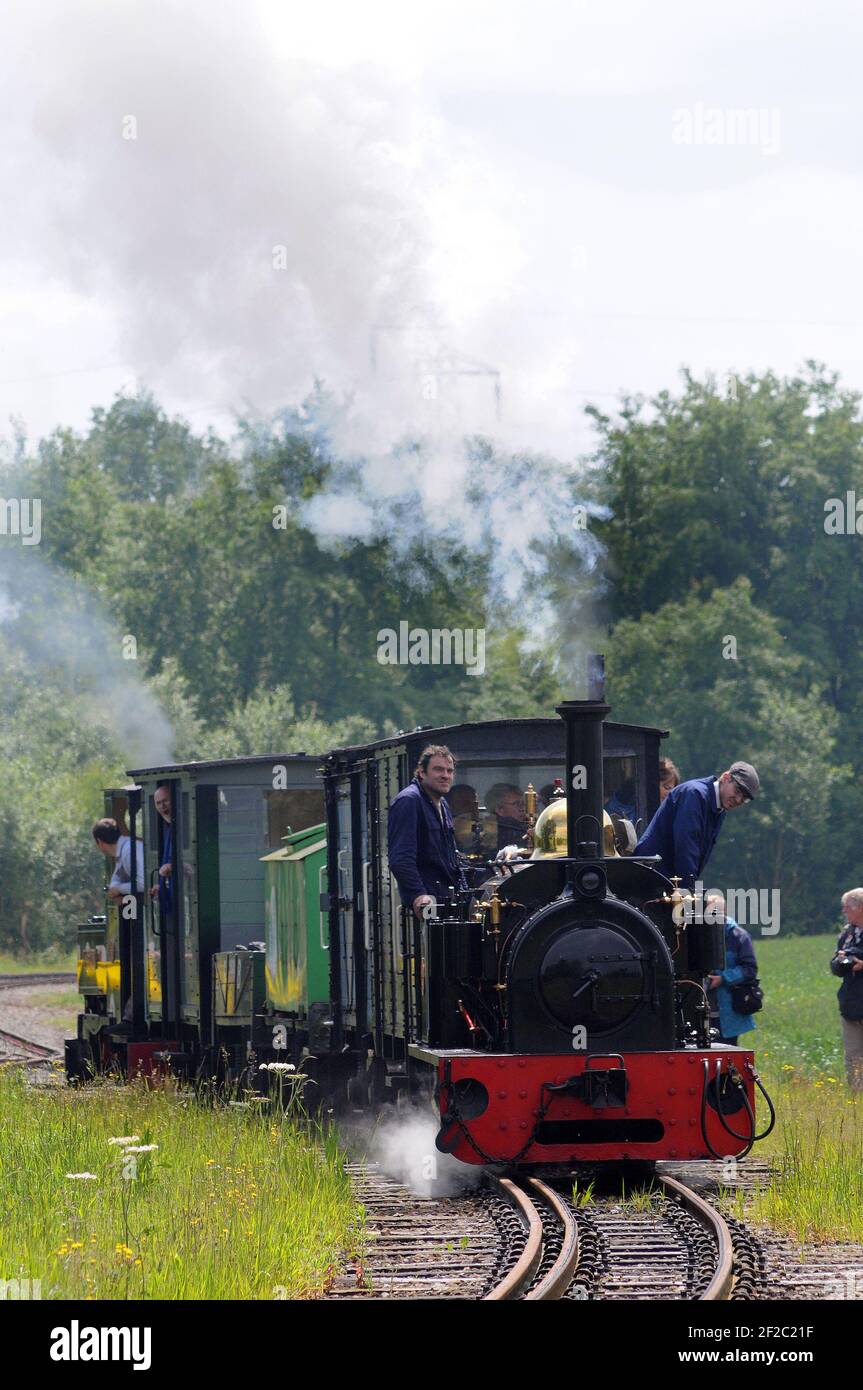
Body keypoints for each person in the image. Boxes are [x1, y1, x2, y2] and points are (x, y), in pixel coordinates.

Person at [634, 761, 760, 890]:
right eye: (738, 791)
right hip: (648, 878)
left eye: (745, 798)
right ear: (726, 777)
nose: (739, 800)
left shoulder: (719, 809)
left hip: (665, 881)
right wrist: (689, 891)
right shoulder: (694, 794)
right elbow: (685, 847)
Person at [388, 745, 467, 918]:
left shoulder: (442, 803)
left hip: (447, 898)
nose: (445, 775)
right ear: (422, 773)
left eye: (449, 771)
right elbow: (400, 858)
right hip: (428, 903)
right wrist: (418, 895)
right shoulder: (409, 801)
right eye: (438, 769)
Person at [704, 892, 758, 1045]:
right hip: (702, 1011)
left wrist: (723, 979)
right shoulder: (698, 935)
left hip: (728, 1012)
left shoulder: (739, 936)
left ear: (724, 913)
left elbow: (750, 969)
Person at [830, 889, 863, 1091]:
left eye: (847, 907)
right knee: (853, 1058)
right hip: (851, 1005)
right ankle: (858, 1101)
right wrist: (841, 961)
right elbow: (835, 964)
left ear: (861, 908)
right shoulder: (847, 933)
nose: (844, 911)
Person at [91, 818, 145, 899]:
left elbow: (143, 884)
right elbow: (118, 876)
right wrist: (114, 888)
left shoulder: (128, 852)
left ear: (100, 842)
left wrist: (119, 889)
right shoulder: (123, 850)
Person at [150, 782, 173, 916]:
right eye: (158, 803)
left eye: (165, 801)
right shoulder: (165, 829)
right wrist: (160, 888)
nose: (162, 806)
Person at [484, 782, 527, 852]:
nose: (522, 808)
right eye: (516, 804)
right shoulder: (512, 833)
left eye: (523, 803)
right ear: (500, 810)